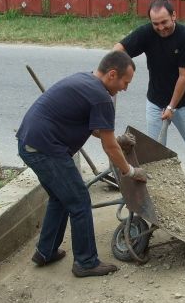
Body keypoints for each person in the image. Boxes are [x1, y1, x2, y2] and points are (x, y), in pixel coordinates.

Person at [16, 51, 147, 278]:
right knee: (79, 200)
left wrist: (117, 140)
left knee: (61, 197)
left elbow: (94, 128)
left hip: (30, 143)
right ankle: (86, 262)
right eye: (125, 83)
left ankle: (44, 252)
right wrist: (131, 171)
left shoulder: (86, 80)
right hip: (46, 149)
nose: (125, 88)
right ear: (112, 74)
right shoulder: (101, 97)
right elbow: (109, 147)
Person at [113, 0, 185, 202]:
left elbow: (184, 76)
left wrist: (172, 106)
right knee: (154, 149)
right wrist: (112, 73)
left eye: (164, 22)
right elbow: (119, 49)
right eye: (156, 24)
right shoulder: (147, 33)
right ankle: (156, 190)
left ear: (174, 16)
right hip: (155, 102)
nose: (160, 28)